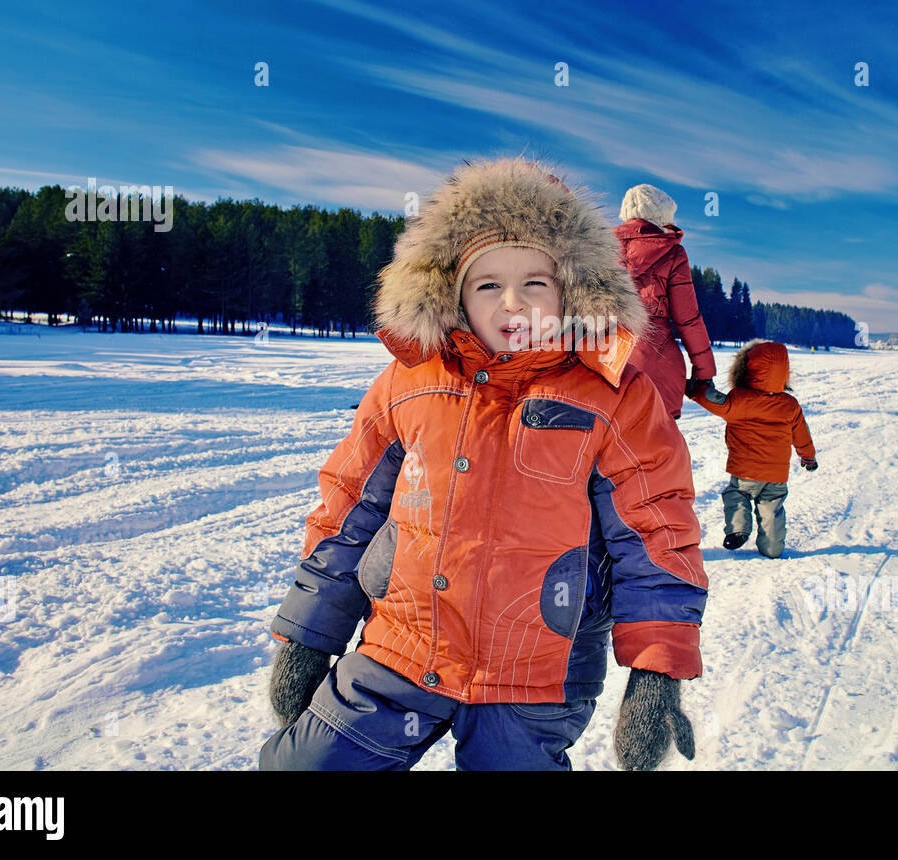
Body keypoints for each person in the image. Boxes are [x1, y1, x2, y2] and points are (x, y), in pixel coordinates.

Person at [259, 157, 707, 771]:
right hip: (403, 647)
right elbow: (349, 508)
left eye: (537, 284)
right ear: (451, 291)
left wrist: (657, 672)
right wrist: (311, 632)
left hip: (537, 672)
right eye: (488, 284)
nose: (513, 304)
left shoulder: (615, 397)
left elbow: (657, 532)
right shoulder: (409, 382)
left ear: (575, 291)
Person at [687, 339, 817, 558]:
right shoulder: (790, 405)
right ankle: (773, 548)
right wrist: (809, 458)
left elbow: (713, 400)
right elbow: (802, 435)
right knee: (772, 508)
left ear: (747, 369)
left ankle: (738, 529)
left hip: (746, 471)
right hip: (776, 475)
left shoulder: (740, 399)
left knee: (736, 494)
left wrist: (694, 388)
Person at [614, 184, 715, 420]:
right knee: (657, 452)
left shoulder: (597, 250)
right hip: (657, 367)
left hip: (604, 365)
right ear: (662, 216)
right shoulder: (672, 253)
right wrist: (704, 371)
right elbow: (688, 319)